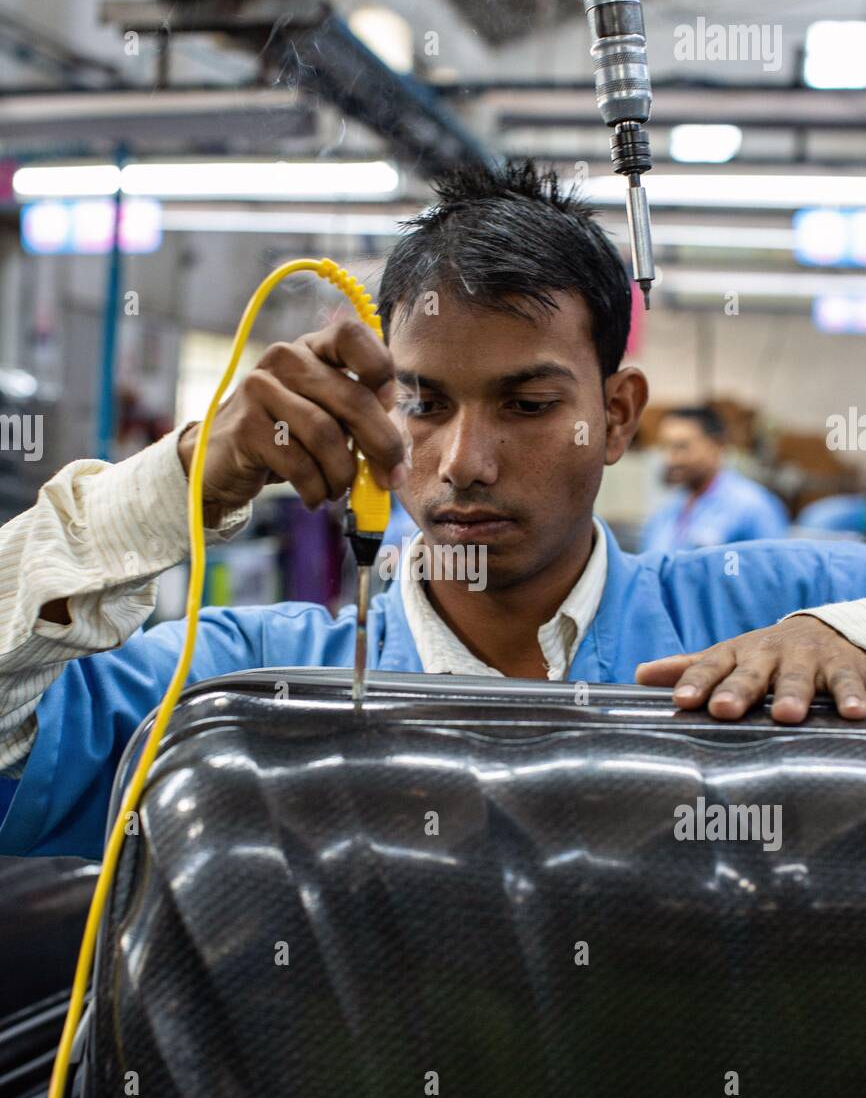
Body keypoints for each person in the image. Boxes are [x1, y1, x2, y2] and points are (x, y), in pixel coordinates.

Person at [2, 160, 866, 861]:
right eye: (424, 405)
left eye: (526, 406)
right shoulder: (250, 687)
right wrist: (171, 486)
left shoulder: (772, 611)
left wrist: (852, 632)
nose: (463, 464)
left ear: (616, 417)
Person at [641, 407, 790, 553]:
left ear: (717, 446)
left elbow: (775, 571)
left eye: (682, 447)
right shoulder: (668, 507)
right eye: (664, 447)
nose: (670, 459)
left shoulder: (753, 507)